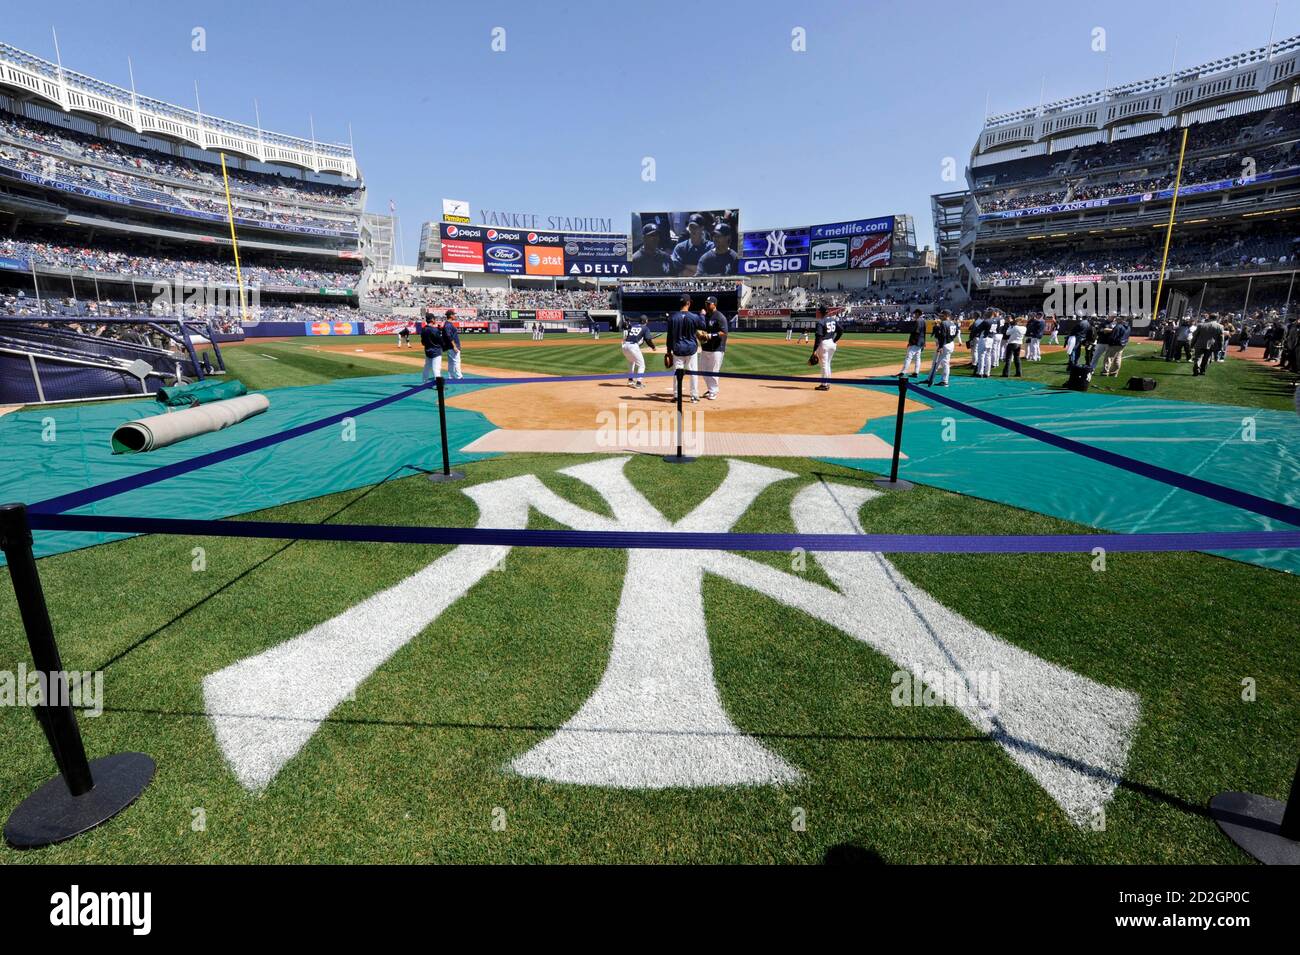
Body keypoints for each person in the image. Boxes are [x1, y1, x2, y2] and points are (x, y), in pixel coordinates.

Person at [665, 294, 703, 402]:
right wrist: (702, 315)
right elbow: (703, 326)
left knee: (677, 373)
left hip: (678, 350)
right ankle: (694, 396)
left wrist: (668, 352)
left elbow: (669, 337)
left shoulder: (673, 317)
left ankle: (677, 396)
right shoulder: (694, 317)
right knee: (693, 373)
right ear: (688, 303)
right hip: (691, 349)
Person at [698, 295, 728, 400]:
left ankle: (714, 391)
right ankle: (710, 388)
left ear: (714, 304)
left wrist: (710, 335)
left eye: (709, 303)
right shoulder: (705, 316)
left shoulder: (720, 317)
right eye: (706, 303)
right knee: (702, 370)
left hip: (717, 348)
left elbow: (724, 333)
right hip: (705, 347)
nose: (706, 304)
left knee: (714, 371)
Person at [926, 308, 962, 386]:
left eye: (942, 315)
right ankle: (930, 379)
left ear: (947, 315)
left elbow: (943, 336)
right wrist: (951, 339)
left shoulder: (944, 323)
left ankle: (944, 381)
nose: (941, 317)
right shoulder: (954, 323)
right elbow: (956, 333)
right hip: (950, 343)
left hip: (945, 344)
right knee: (939, 362)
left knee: (944, 363)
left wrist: (941, 347)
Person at [812, 304, 842, 391]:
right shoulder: (833, 320)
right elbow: (841, 331)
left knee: (824, 365)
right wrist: (834, 340)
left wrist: (814, 351)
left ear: (820, 312)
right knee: (827, 364)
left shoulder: (820, 322)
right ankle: (827, 383)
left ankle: (824, 385)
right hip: (831, 344)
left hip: (824, 344)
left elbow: (818, 337)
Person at [620, 316, 656, 388]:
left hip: (625, 346)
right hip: (633, 346)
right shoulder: (645, 328)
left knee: (631, 362)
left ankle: (630, 380)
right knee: (642, 365)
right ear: (645, 321)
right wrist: (653, 347)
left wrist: (642, 341)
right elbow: (648, 340)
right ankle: (638, 383)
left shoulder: (633, 326)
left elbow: (630, 337)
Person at [900, 308, 926, 378]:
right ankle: (916, 372)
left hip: (915, 342)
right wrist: (923, 342)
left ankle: (903, 372)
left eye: (915, 313)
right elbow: (924, 333)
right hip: (920, 342)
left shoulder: (917, 321)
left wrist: (911, 342)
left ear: (917, 313)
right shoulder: (923, 321)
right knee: (918, 358)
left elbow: (915, 333)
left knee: (909, 357)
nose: (914, 315)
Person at [420, 315, 443, 383]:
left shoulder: (423, 329)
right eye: (434, 319)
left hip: (427, 350)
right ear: (432, 320)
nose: (435, 320)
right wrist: (440, 331)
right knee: (436, 369)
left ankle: (424, 382)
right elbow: (440, 340)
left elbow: (423, 342)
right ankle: (439, 386)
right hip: (436, 351)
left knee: (426, 367)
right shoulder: (434, 330)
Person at [441, 309, 463, 379]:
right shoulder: (448, 325)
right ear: (450, 316)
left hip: (451, 346)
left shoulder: (448, 324)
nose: (455, 315)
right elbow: (449, 336)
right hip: (452, 346)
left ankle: (451, 376)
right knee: (457, 361)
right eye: (454, 314)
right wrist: (454, 346)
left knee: (451, 362)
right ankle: (459, 376)